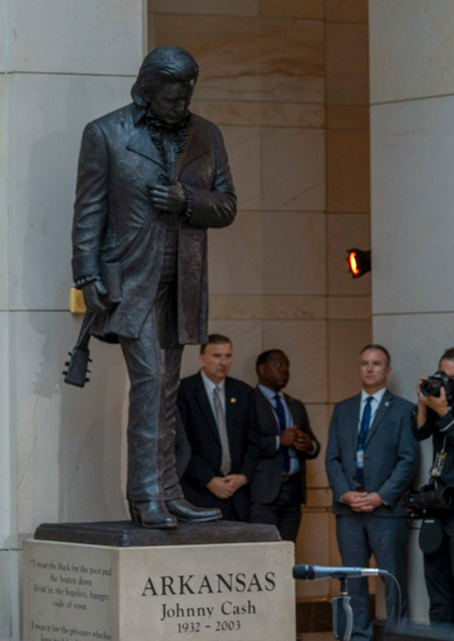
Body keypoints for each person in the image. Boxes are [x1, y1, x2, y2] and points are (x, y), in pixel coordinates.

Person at [71, 45, 235, 529]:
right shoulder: (106, 133)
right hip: (131, 281)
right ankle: (144, 495)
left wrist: (188, 201)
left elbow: (227, 205)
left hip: (183, 279)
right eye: (169, 98)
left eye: (185, 96)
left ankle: (168, 489)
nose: (179, 106)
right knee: (150, 381)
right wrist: (86, 273)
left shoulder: (208, 134)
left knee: (166, 388)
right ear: (145, 91)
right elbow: (89, 211)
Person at [325, 345, 417, 640]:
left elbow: (408, 460)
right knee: (353, 584)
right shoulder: (343, 409)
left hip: (386, 511)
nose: (369, 368)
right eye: (364, 363)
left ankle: (397, 636)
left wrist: (381, 496)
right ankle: (356, 636)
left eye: (376, 364)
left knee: (393, 581)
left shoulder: (404, 409)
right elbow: (332, 458)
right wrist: (345, 494)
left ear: (387, 370)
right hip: (348, 511)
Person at [413, 347, 454, 629]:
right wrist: (423, 404)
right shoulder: (441, 397)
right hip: (438, 505)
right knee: (438, 590)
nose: (452, 383)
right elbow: (420, 432)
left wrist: (443, 413)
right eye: (445, 376)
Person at [175, 335, 263, 522]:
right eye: (216, 356)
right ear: (202, 359)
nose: (223, 362)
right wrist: (208, 480)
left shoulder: (244, 393)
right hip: (198, 493)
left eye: (228, 356)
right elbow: (181, 444)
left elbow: (254, 441)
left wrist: (243, 477)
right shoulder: (184, 391)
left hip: (238, 496)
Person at [249, 349, 320, 542]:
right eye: (278, 365)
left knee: (288, 549)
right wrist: (280, 441)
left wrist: (308, 445)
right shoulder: (249, 401)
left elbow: (315, 446)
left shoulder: (295, 405)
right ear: (261, 369)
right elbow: (247, 445)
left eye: (287, 365)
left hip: (294, 492)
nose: (285, 370)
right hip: (264, 492)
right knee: (265, 551)